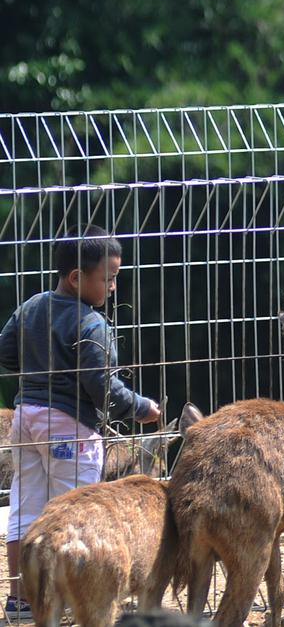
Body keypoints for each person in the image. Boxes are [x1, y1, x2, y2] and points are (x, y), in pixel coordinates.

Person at [0, 225, 161, 618]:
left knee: (26, 508)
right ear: (77, 277)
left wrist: (39, 371)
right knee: (79, 514)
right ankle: (74, 600)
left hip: (26, 419)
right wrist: (141, 408)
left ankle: (21, 601)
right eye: (108, 279)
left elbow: (5, 353)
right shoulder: (91, 325)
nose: (112, 288)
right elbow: (102, 388)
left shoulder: (31, 306)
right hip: (70, 426)